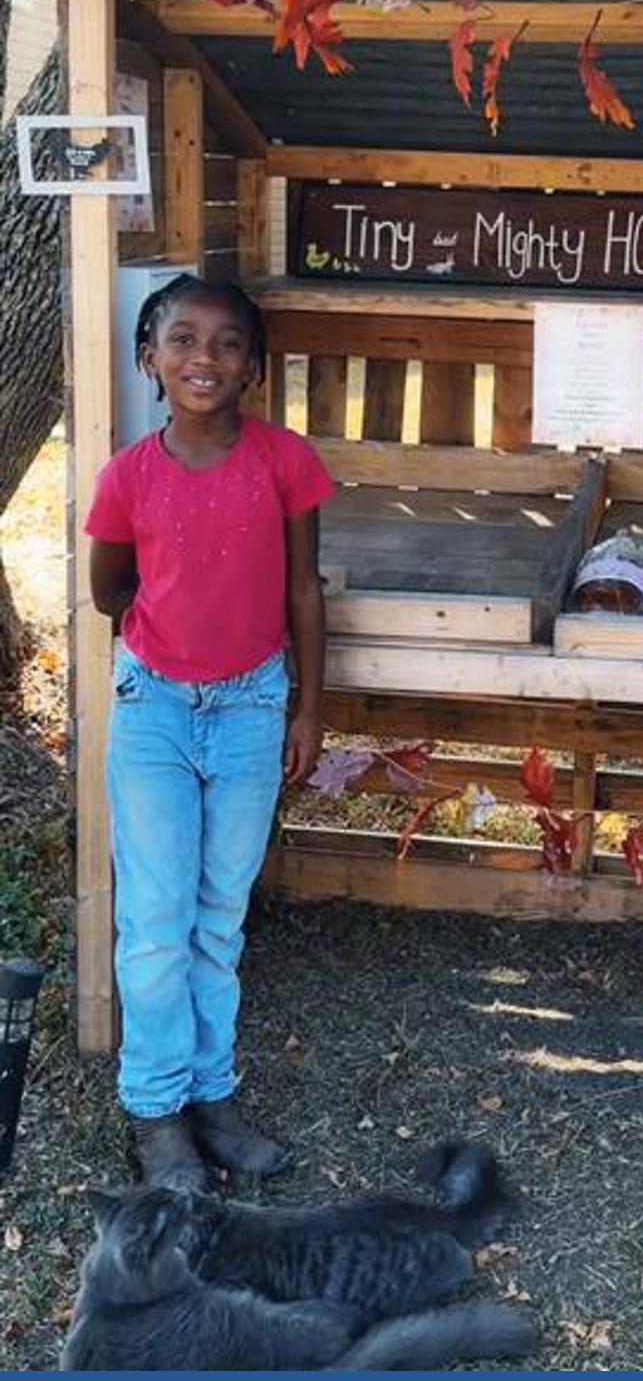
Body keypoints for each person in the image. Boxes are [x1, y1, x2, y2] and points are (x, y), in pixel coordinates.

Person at [84, 273, 333, 1193]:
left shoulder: (285, 463)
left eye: (229, 345)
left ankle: (211, 1096)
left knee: (219, 915)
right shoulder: (127, 478)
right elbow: (110, 592)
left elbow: (304, 590)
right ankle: (156, 1113)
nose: (205, 359)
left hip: (251, 708)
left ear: (255, 368)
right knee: (156, 921)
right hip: (155, 709)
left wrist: (308, 706)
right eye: (183, 340)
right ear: (148, 358)